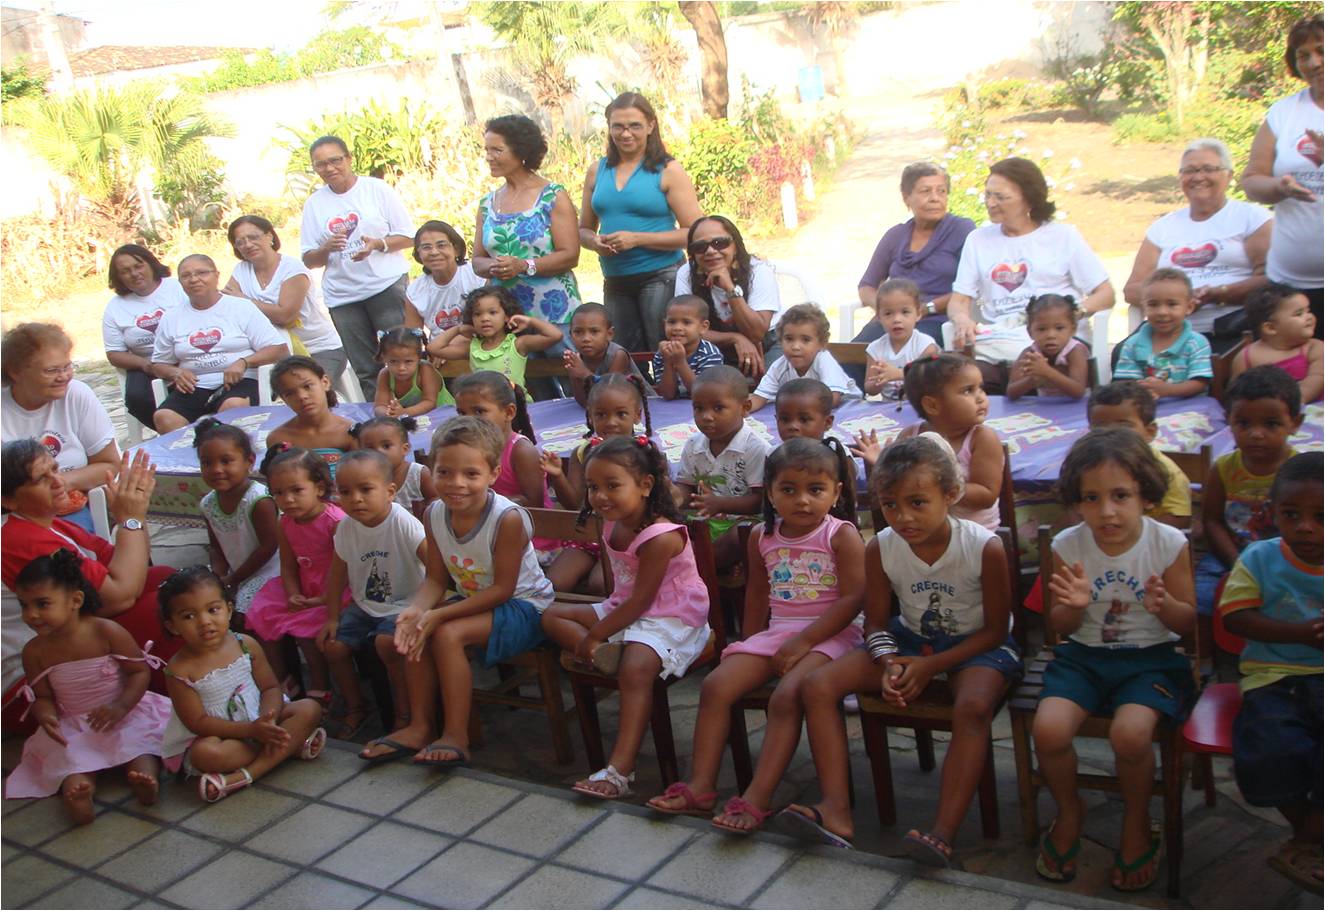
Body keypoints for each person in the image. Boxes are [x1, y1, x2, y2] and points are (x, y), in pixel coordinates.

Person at [784, 435, 1018, 857]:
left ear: (950, 495)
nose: (903, 517)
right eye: (891, 505)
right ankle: (836, 809)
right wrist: (889, 659)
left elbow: (997, 631)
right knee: (817, 686)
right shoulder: (882, 547)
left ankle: (942, 833)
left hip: (978, 642)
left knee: (974, 707)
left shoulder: (985, 547)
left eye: (918, 502)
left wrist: (931, 667)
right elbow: (875, 622)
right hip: (910, 637)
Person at [647, 438, 863, 832]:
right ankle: (701, 786)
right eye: (788, 490)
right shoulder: (762, 536)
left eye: (815, 490)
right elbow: (758, 594)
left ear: (836, 493)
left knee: (785, 698)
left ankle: (756, 798)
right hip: (779, 633)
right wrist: (747, 643)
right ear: (771, 492)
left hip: (833, 635)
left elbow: (852, 600)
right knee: (715, 686)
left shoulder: (840, 535)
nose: (802, 501)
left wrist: (803, 641)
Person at [1032, 428, 1196, 892]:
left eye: (1121, 495)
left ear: (1145, 495)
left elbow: (1186, 625)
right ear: (1076, 502)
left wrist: (1165, 607)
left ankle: (1137, 821)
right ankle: (1070, 811)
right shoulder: (1068, 545)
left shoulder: (1167, 544)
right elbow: (1060, 625)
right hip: (1083, 657)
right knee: (1049, 729)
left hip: (1152, 660)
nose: (1107, 511)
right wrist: (1077, 605)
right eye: (1092, 497)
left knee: (1131, 734)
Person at [542, 436, 712, 799]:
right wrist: (597, 632)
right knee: (549, 616)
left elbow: (642, 601)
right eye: (593, 487)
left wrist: (592, 635)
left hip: (672, 614)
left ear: (645, 485)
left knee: (636, 670)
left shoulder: (660, 537)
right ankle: (607, 653)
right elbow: (624, 597)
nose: (600, 496)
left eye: (612, 486)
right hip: (624, 606)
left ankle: (620, 769)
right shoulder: (611, 521)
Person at [390, 416, 556, 767]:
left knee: (445, 632)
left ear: (493, 473)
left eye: (471, 474)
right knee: (416, 626)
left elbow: (502, 590)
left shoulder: (506, 518)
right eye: (444, 472)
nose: (456, 484)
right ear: (431, 470)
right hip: (473, 603)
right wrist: (417, 610)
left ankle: (456, 735)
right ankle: (420, 725)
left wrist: (439, 614)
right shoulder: (435, 513)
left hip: (524, 606)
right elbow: (435, 579)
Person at [4, 549, 172, 824]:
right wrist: (45, 714)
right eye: (24, 605)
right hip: (74, 721)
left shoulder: (106, 631)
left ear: (75, 600)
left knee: (139, 742)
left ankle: (146, 778)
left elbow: (138, 672)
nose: (31, 615)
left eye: (42, 604)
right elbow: (43, 695)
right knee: (69, 756)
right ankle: (79, 792)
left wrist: (121, 706)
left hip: (123, 710)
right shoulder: (34, 651)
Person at [1219, 452, 1323, 893]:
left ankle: (1309, 840)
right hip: (1272, 678)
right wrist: (1299, 634)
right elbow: (1234, 618)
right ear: (1271, 513)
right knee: (1269, 747)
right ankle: (1310, 836)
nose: (1305, 526)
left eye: (1321, 517)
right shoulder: (1260, 557)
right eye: (1291, 514)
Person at [1, 445, 175, 689]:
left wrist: (135, 515)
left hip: (69, 633)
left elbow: (132, 566)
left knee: (164, 577)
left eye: (55, 469)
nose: (58, 481)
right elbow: (119, 596)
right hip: (31, 672)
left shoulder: (49, 524)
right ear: (8, 500)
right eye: (41, 478)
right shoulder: (22, 539)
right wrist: (130, 520)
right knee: (167, 607)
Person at [158, 567, 325, 802]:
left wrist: (268, 718)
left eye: (213, 609)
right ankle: (288, 747)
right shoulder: (178, 670)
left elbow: (270, 687)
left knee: (309, 708)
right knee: (205, 754)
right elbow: (198, 722)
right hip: (224, 736)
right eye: (189, 616)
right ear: (172, 625)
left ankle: (245, 774)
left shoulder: (245, 644)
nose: (205, 622)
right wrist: (251, 731)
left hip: (260, 718)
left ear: (229, 609)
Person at [947, 158, 1113, 393]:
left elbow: (1105, 294)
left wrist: (1073, 314)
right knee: (958, 368)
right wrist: (962, 319)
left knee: (976, 358)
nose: (991, 203)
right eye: (988, 196)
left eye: (1000, 197)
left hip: (1054, 334)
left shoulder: (1062, 236)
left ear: (1029, 198)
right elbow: (959, 300)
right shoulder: (978, 240)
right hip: (1002, 334)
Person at [319, 449, 427, 758]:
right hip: (366, 605)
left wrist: (426, 608)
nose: (356, 499)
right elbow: (337, 575)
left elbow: (434, 565)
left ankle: (404, 715)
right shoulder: (346, 528)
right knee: (334, 646)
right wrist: (332, 618)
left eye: (366, 490)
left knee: (386, 644)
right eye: (346, 492)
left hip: (404, 605)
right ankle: (357, 705)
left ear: (390, 491)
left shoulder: (401, 522)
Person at [580, 92, 702, 353]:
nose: (626, 134)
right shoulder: (597, 170)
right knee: (623, 358)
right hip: (615, 279)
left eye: (634, 125)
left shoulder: (668, 169)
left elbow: (695, 233)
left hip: (661, 275)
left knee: (666, 352)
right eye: (618, 126)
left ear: (650, 126)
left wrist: (637, 239)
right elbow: (583, 230)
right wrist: (594, 242)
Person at [473, 114, 582, 399]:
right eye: (486, 149)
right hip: (507, 315)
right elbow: (477, 260)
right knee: (528, 390)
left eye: (497, 150)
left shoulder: (551, 196)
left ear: (521, 151)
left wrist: (525, 265)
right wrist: (495, 268)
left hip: (555, 310)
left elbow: (570, 255)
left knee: (574, 381)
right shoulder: (488, 203)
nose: (489, 157)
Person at [1122, 138, 1273, 341]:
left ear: (1229, 175)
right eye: (1190, 171)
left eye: (1208, 169)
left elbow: (1271, 278)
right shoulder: (1163, 227)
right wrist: (1177, 299)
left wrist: (1219, 293)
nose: (1198, 177)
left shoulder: (1252, 217)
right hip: (1171, 334)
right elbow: (1131, 289)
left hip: (1235, 327)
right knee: (1122, 354)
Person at [300, 135, 414, 399]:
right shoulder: (314, 204)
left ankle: (416, 414)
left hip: (385, 286)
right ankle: (381, 423)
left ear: (349, 159)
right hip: (343, 297)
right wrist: (326, 248)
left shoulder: (376, 189)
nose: (329, 169)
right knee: (365, 368)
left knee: (402, 358)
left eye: (335, 160)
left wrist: (378, 244)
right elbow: (309, 259)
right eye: (320, 165)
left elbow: (408, 237)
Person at [1197, 366, 1304, 618]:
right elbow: (1211, 520)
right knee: (1202, 602)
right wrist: (1238, 563)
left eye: (1271, 424)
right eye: (1243, 423)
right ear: (1229, 421)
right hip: (1228, 557)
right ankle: (1210, 654)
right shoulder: (1223, 469)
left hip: (1286, 557)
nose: (1256, 434)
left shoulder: (1299, 472)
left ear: (1295, 423)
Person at [1241, 14, 1323, 335]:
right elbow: (1251, 181)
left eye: (1321, 50)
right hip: (1290, 283)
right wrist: (1280, 187)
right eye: (1303, 55)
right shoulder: (1283, 113)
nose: (1313, 62)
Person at [854, 354, 1003, 531]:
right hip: (921, 533)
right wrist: (882, 463)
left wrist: (938, 487)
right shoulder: (911, 436)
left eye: (981, 388)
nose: (981, 397)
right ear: (932, 405)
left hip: (972, 535)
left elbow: (986, 496)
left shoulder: (982, 438)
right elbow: (897, 485)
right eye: (968, 390)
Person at [245, 446, 342, 709]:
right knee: (260, 613)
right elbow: (287, 566)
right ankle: (282, 680)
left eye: (296, 490)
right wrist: (292, 593)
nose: (287, 500)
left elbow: (345, 568)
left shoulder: (334, 522)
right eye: (278, 493)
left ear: (319, 488)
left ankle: (321, 687)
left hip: (335, 589)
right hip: (302, 583)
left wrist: (320, 599)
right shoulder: (285, 522)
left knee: (305, 630)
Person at [150, 254, 289, 433]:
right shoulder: (171, 317)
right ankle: (188, 459)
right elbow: (158, 364)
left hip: (241, 380)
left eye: (201, 273)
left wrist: (244, 362)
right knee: (164, 417)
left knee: (233, 407)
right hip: (195, 385)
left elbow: (279, 349)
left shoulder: (241, 308)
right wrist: (175, 372)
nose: (194, 279)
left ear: (216, 275)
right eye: (186, 276)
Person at [1, 323, 120, 532]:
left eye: (67, 367)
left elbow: (109, 465)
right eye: (51, 370)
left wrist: (59, 484)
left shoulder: (76, 394)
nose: (63, 376)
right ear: (15, 372)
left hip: (68, 507)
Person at [542, 374, 655, 592]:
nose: (611, 422)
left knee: (600, 583)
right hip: (589, 535)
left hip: (628, 537)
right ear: (590, 417)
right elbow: (573, 502)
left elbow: (656, 500)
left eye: (621, 414)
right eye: (601, 415)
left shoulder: (645, 453)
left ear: (637, 415)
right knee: (555, 583)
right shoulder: (583, 453)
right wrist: (558, 476)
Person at [854, 161, 978, 350]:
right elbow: (867, 286)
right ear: (906, 198)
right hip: (893, 323)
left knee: (913, 350)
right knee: (852, 354)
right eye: (925, 191)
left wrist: (927, 308)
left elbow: (973, 285)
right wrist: (888, 310)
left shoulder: (962, 230)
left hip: (939, 321)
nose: (935, 198)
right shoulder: (895, 235)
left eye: (941, 191)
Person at [223, 214, 347, 383]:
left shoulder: (292, 269)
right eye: (240, 242)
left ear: (270, 236)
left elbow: (285, 316)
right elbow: (230, 307)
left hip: (318, 349)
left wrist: (244, 300)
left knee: (305, 390)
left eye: (253, 237)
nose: (248, 245)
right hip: (273, 353)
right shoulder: (241, 270)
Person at [676, 366, 771, 569]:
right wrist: (672, 495)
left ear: (745, 408)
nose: (707, 416)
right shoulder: (693, 444)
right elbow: (686, 487)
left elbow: (760, 501)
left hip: (741, 522)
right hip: (703, 521)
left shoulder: (755, 448)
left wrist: (720, 504)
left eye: (718, 408)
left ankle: (694, 569)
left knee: (744, 534)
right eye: (699, 408)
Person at [676, 216, 783, 378]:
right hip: (715, 348)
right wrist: (734, 338)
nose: (711, 251)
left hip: (768, 343)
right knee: (714, 390)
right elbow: (685, 330)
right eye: (700, 247)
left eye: (720, 243)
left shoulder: (759, 270)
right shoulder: (686, 273)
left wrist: (729, 288)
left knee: (769, 389)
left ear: (736, 246)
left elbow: (757, 333)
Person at [193, 419, 279, 617]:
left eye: (226, 461)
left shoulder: (258, 500)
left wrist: (233, 578)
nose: (216, 469)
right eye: (207, 462)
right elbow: (215, 546)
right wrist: (219, 576)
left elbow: (269, 547)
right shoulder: (208, 504)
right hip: (237, 573)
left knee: (241, 614)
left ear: (249, 461)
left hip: (271, 572)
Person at [102, 244, 188, 429]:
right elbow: (114, 353)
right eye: (125, 271)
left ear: (151, 264)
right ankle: (174, 432)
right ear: (118, 277)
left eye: (138, 266)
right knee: (137, 397)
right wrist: (146, 365)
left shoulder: (177, 287)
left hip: (186, 355)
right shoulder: (115, 307)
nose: (134, 274)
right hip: (145, 363)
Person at [1086, 382, 1192, 529]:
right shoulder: (1086, 466)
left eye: (1124, 426)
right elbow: (1074, 506)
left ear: (1150, 431)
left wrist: (1130, 534)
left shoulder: (1165, 472)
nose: (1111, 433)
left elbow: (1179, 519)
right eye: (1100, 426)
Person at [429, 287, 563, 397]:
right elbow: (434, 348)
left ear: (506, 316)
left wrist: (530, 321)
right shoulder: (472, 348)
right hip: (485, 407)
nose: (485, 318)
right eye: (477, 314)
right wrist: (458, 329)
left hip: (517, 406)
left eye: (492, 313)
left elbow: (555, 335)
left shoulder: (517, 344)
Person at [1113, 268, 1213, 400]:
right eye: (1153, 305)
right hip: (1145, 409)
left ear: (1189, 307)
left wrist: (1168, 390)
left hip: (1189, 409)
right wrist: (1143, 392)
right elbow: (1126, 383)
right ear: (1144, 307)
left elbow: (1200, 383)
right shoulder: (1132, 344)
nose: (1162, 312)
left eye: (1172, 304)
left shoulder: (1197, 343)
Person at [749, 305, 860, 411]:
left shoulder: (823, 360)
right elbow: (759, 398)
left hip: (848, 408)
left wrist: (800, 408)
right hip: (808, 411)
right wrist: (742, 410)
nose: (796, 347)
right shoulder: (779, 366)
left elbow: (833, 398)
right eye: (789, 339)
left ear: (821, 344)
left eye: (805, 340)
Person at [264, 356, 357, 482]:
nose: (302, 396)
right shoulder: (279, 438)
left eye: (307, 386)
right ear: (284, 399)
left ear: (325, 382)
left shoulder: (349, 432)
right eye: (290, 393)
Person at [1232, 282, 1324, 403]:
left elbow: (1317, 380)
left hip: (1313, 412)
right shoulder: (1246, 357)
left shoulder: (1315, 348)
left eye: (1308, 310)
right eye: (1299, 314)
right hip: (1265, 415)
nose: (1309, 317)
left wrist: (1291, 404)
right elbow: (1236, 393)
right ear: (1270, 328)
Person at [403, 220, 484, 340]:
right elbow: (413, 338)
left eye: (441, 245)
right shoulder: (414, 292)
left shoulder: (476, 276)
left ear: (456, 249)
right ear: (418, 254)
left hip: (479, 342)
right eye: (426, 247)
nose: (434, 252)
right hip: (439, 351)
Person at [863, 279, 940, 400]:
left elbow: (930, 380)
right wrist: (878, 382)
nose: (897, 319)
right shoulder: (875, 349)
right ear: (879, 317)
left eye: (905, 312)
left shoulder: (925, 345)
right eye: (888, 313)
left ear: (918, 314)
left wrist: (898, 374)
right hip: (888, 408)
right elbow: (868, 388)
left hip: (920, 407)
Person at [563, 303, 652, 406]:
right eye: (578, 332)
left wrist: (584, 374)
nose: (586, 338)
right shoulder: (576, 360)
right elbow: (583, 401)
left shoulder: (618, 355)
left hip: (643, 406)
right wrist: (575, 375)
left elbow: (607, 391)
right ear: (571, 335)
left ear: (609, 334)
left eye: (594, 331)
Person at [1007, 294, 1090, 400]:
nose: (1050, 335)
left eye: (1059, 328)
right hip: (1044, 408)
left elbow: (1078, 391)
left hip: (1077, 409)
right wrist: (1032, 379)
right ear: (1030, 332)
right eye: (1042, 329)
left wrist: (1047, 372)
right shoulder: (1030, 353)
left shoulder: (1075, 351)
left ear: (1072, 330)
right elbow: (1011, 393)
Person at [351, 415, 435, 519]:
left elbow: (435, 499)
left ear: (404, 449)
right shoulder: (364, 479)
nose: (378, 452)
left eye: (386, 446)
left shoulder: (418, 474)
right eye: (370, 448)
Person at [652, 295, 726, 400]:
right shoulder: (663, 353)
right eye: (672, 322)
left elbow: (703, 394)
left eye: (686, 322)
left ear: (703, 327)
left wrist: (680, 362)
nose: (677, 328)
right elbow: (667, 395)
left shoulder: (710, 354)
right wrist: (668, 362)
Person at [373, 328, 442, 418]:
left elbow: (430, 402)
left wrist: (404, 412)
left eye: (408, 361)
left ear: (419, 357)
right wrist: (389, 412)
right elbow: (379, 405)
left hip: (441, 414)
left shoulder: (425, 370)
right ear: (384, 358)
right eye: (393, 361)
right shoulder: (384, 375)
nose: (401, 368)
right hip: (413, 419)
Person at [774, 378, 836, 442]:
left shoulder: (837, 451)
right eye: (785, 419)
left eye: (804, 420)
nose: (793, 426)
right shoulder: (773, 451)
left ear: (827, 422)